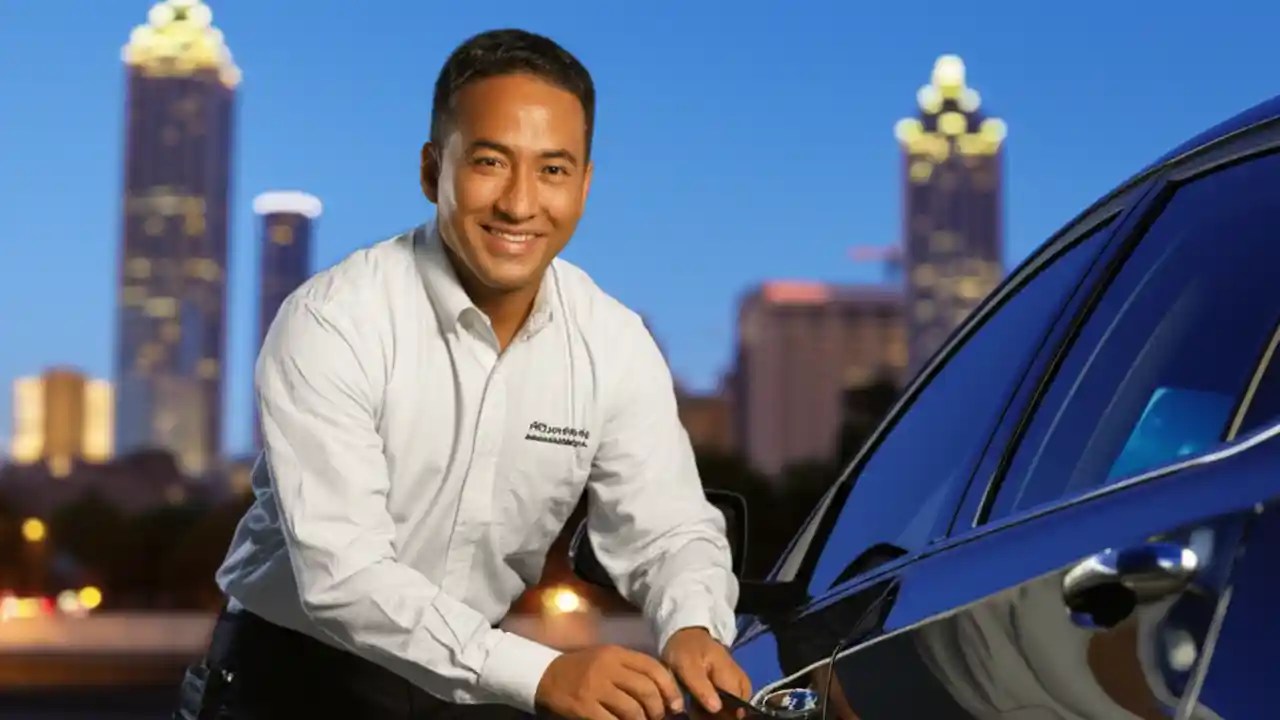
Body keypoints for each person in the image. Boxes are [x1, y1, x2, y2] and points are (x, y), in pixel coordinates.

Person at [180, 27, 750, 720]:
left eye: (553, 169)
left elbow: (667, 530)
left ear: (585, 183)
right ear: (431, 171)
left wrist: (693, 624)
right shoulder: (334, 320)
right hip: (292, 678)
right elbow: (344, 577)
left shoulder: (613, 341)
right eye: (489, 162)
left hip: (471, 679)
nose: (519, 202)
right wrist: (542, 675)